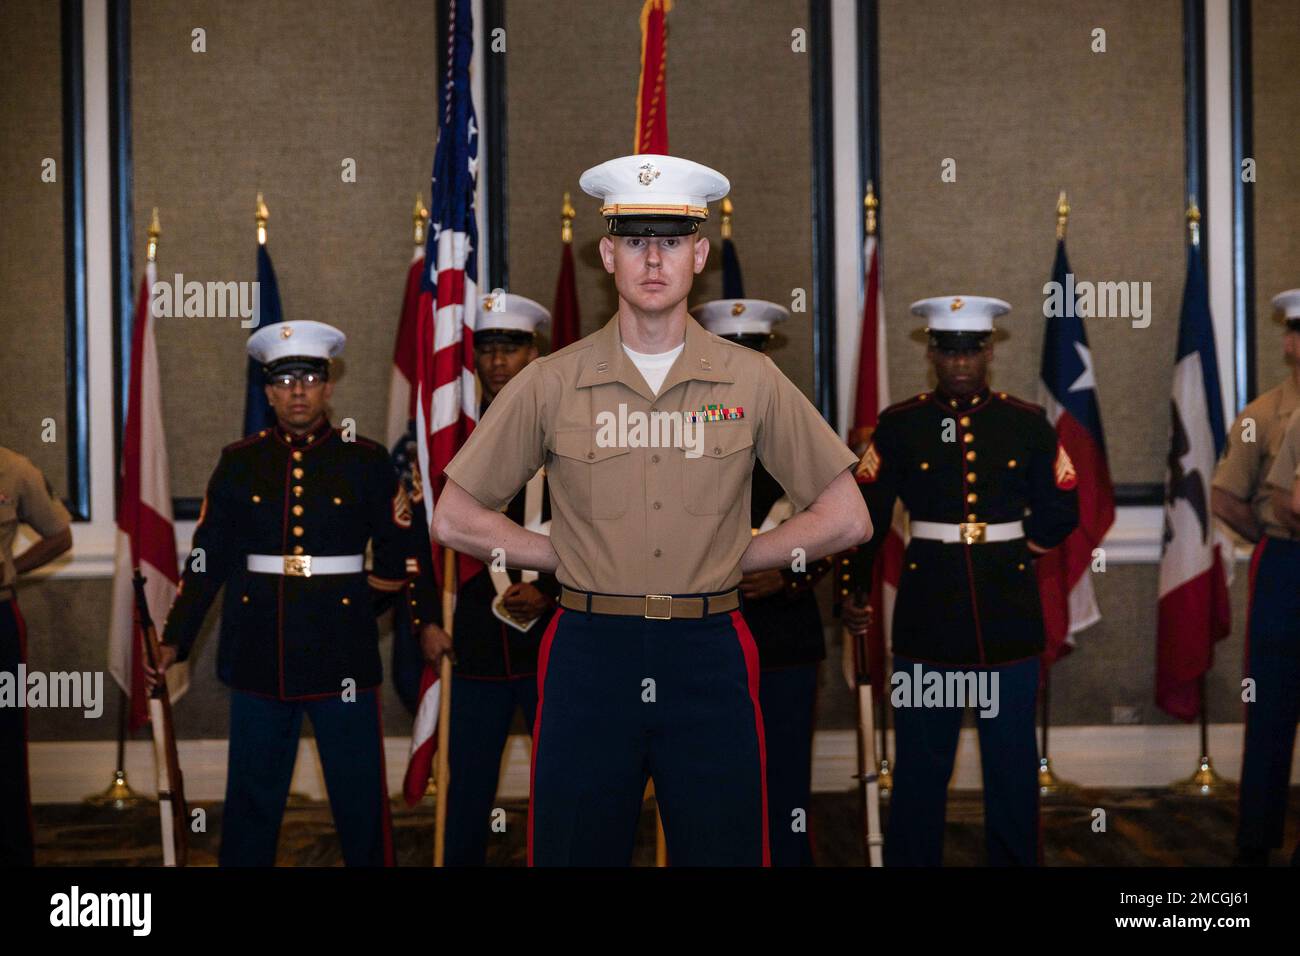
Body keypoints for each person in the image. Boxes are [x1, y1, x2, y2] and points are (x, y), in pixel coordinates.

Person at [432, 154, 868, 866]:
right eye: (635, 240)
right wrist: (560, 555)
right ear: (608, 254)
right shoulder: (552, 381)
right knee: (574, 850)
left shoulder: (752, 379)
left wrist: (741, 555)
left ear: (700, 253)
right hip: (587, 653)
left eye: (672, 239)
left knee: (724, 851)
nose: (654, 258)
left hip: (708, 653)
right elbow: (454, 516)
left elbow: (848, 516)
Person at [148, 320, 442, 866]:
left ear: (330, 386)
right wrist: (173, 640)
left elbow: (407, 553)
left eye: (309, 377)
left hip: (344, 658)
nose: (298, 391)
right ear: (268, 391)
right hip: (259, 652)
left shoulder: (367, 461)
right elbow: (207, 560)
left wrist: (410, 618)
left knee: (359, 799)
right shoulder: (239, 462)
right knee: (252, 801)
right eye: (284, 381)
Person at [842, 296, 1079, 866]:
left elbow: (1064, 501)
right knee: (922, 766)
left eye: (971, 348)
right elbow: (865, 516)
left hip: (1008, 617)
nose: (960, 362)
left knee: (1012, 767)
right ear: (932, 353)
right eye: (947, 349)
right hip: (929, 620)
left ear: (989, 350)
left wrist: (1021, 551)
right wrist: (852, 591)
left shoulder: (1025, 423)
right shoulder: (901, 426)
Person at [691, 297, 830, 866]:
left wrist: (790, 575)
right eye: (731, 352)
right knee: (703, 778)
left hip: (784, 634)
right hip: (703, 634)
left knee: (786, 777)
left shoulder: (799, 424)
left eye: (754, 352)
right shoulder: (679, 424)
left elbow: (842, 524)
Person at [436, 289, 560, 865]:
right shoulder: (450, 435)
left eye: (510, 347)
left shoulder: (575, 430)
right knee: (468, 787)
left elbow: (603, 527)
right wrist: (421, 621)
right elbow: (424, 539)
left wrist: (551, 590)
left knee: (565, 783)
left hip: (558, 634)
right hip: (478, 640)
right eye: (486, 349)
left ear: (535, 352)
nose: (496, 360)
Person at [1217, 287, 1300, 866]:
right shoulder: (1263, 415)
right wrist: (1275, 534)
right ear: (1290, 342)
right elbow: (1226, 498)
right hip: (1287, 567)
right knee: (1271, 707)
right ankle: (1256, 843)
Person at [0, 447, 73, 866]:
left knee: (6, 748)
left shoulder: (15, 470)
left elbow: (59, 536)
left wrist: (11, 568)